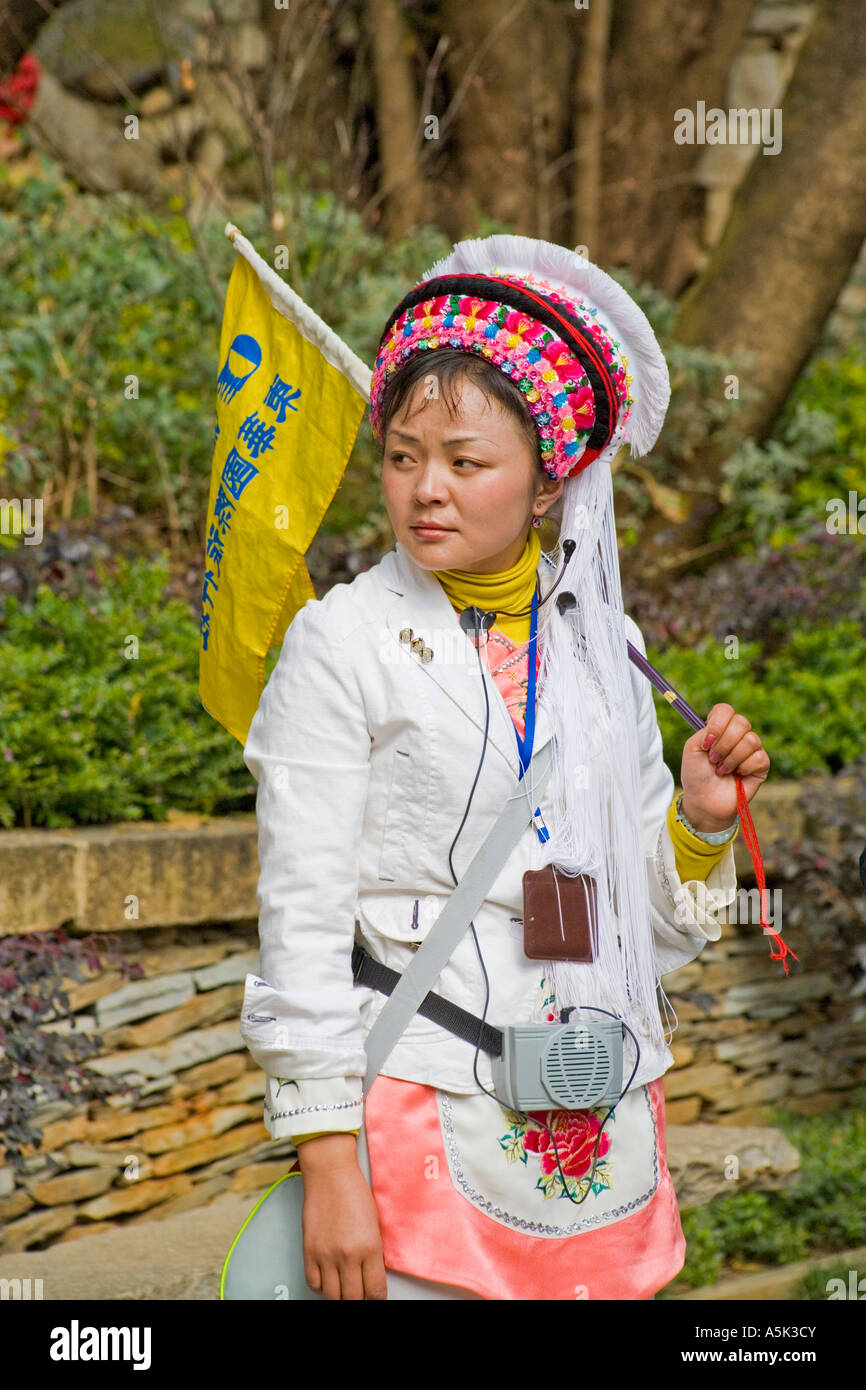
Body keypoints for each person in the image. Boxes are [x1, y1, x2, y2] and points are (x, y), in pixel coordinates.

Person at [239, 235, 770, 1300]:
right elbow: (297, 922)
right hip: (416, 1108)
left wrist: (700, 824)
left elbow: (647, 933)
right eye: (400, 456)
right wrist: (326, 1159)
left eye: (463, 461)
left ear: (545, 484)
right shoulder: (341, 643)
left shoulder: (601, 653)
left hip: (592, 1113)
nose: (423, 490)